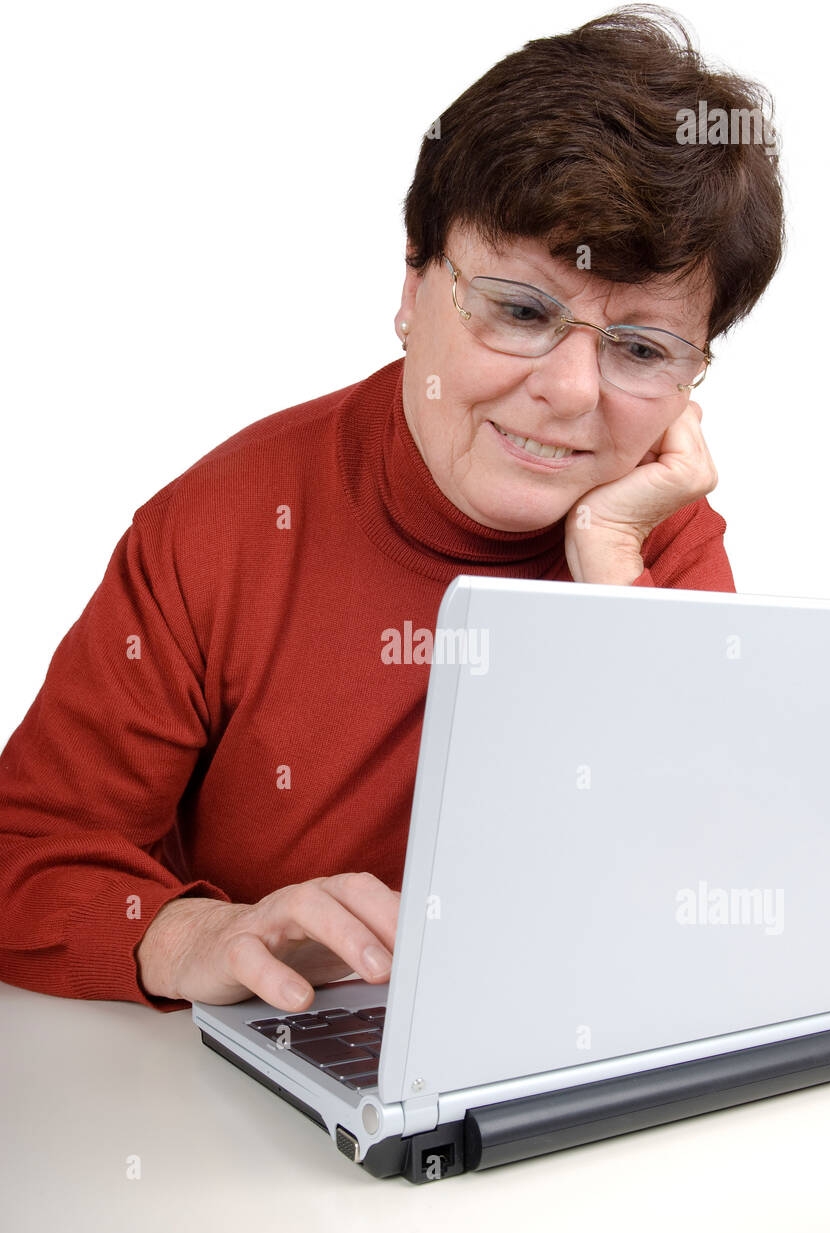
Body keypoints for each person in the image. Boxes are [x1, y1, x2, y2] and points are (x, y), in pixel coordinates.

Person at [0, 7, 784, 1019]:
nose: (572, 391)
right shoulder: (221, 527)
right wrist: (191, 932)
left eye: (641, 348)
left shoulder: (649, 536)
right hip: (246, 1095)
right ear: (413, 287)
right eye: (520, 309)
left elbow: (707, 903)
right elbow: (24, 852)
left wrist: (608, 582)